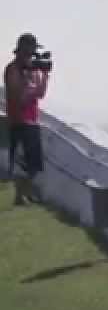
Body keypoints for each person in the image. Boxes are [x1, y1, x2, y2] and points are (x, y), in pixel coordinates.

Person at [4, 33, 51, 205]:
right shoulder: (13, 69)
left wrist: (44, 75)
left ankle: (25, 194)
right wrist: (30, 83)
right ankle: (20, 196)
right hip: (18, 120)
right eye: (30, 52)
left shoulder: (30, 71)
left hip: (31, 120)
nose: (32, 56)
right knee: (22, 162)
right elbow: (20, 97)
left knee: (32, 164)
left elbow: (40, 93)